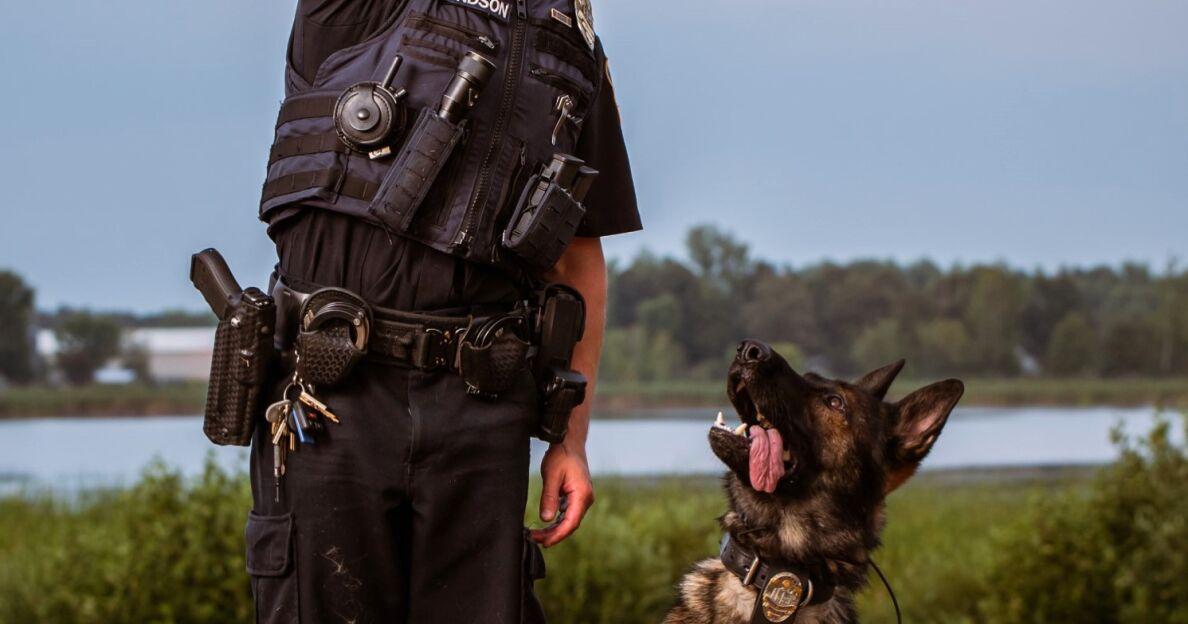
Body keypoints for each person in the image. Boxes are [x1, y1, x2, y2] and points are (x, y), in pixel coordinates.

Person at [243, 1, 641, 622]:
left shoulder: (573, 40)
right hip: (334, 393)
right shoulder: (353, 11)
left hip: (482, 406)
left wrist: (571, 439)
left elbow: (578, 258)